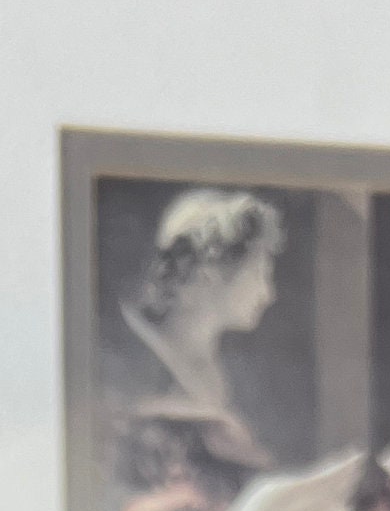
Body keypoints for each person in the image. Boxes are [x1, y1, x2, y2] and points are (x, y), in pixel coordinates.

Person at [121, 189, 285, 469]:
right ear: (210, 274)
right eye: (258, 272)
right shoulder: (139, 365)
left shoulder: (227, 371)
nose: (268, 293)